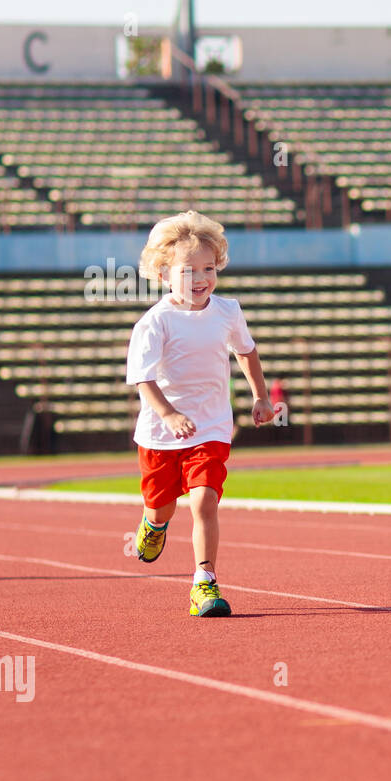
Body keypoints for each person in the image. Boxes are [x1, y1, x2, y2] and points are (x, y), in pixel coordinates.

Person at [126, 210, 275, 617]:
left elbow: (246, 352)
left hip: (210, 426)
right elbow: (142, 380)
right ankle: (153, 526)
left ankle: (204, 583)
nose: (201, 278)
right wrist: (170, 414)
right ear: (163, 275)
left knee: (205, 500)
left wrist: (261, 397)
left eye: (208, 268)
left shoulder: (227, 311)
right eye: (188, 270)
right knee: (161, 507)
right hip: (160, 432)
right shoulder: (154, 322)